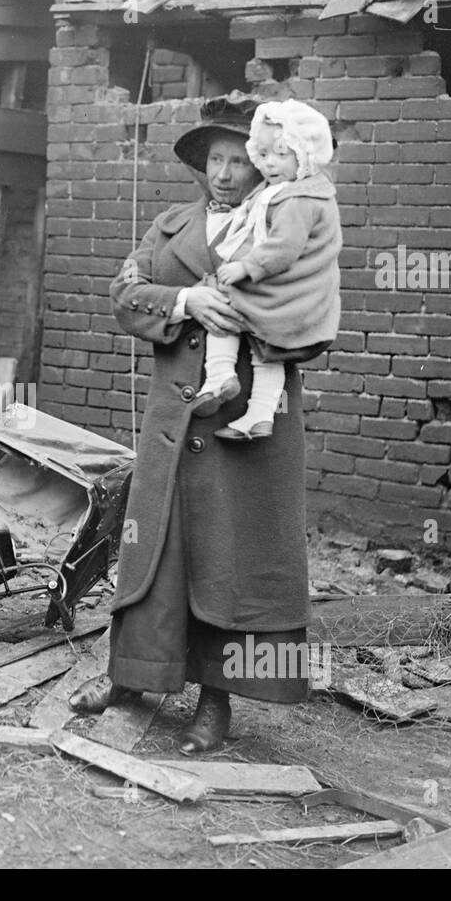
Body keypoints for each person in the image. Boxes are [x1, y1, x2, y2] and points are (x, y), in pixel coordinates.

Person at [69, 92, 318, 755]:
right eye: (216, 159)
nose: (227, 173)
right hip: (172, 421)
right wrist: (185, 299)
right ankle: (132, 677)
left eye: (241, 160)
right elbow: (123, 295)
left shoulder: (287, 230)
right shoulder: (169, 226)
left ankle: (217, 701)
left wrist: (254, 321)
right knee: (152, 548)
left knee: (232, 562)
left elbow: (315, 321)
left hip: (247, 428)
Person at [196, 98, 342, 441]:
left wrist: (245, 267)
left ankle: (219, 376)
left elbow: (282, 249)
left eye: (282, 154)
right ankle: (260, 416)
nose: (271, 164)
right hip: (292, 301)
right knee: (267, 353)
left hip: (285, 291)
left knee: (225, 306)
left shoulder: (297, 199)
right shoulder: (287, 191)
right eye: (265, 155)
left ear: (304, 156)